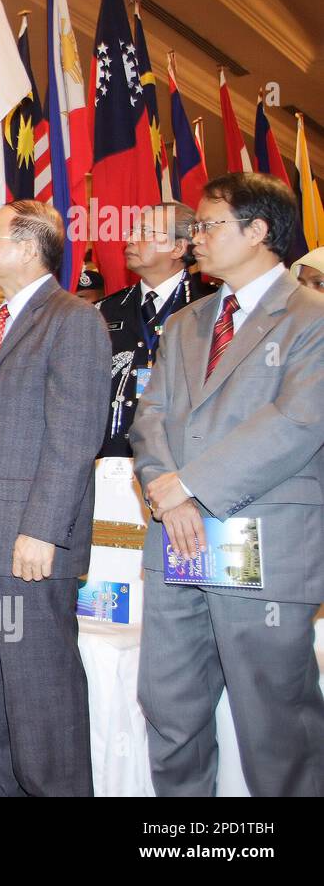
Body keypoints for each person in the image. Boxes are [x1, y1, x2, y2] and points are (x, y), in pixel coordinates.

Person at [130, 172, 324, 796]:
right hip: (178, 539)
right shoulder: (187, 322)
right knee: (171, 707)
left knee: (276, 724)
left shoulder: (310, 319)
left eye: (209, 224)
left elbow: (295, 423)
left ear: (259, 231)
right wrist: (164, 487)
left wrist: (191, 487)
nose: (195, 238)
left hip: (262, 539)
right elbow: (150, 416)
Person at [0, 199, 111, 796]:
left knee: (39, 688)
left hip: (28, 541)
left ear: (30, 247)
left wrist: (43, 529)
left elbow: (76, 435)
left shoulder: (73, 320)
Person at [96, 203, 215, 458]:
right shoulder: (104, 310)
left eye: (144, 232)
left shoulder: (209, 309)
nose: (129, 240)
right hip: (109, 458)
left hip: (177, 459)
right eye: (132, 231)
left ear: (178, 247)